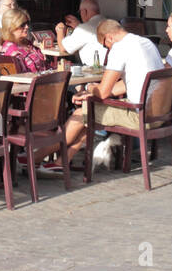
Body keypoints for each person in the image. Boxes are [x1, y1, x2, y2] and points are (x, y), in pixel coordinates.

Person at [62, 19, 165, 164]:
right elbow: (131, 82)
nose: (108, 50)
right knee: (90, 113)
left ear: (109, 37)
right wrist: (96, 93)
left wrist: (89, 87)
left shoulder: (120, 48)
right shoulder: (147, 43)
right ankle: (60, 162)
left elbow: (103, 93)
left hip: (140, 116)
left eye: (106, 45)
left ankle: (48, 153)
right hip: (160, 114)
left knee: (81, 113)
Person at [55, 0, 107, 67]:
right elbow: (90, 33)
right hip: (113, 70)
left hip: (95, 72)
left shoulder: (84, 29)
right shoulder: (110, 22)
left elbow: (63, 48)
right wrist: (79, 26)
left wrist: (60, 29)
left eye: (80, 12)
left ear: (84, 11)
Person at [0, 7, 48, 77]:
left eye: (27, 23)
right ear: (11, 27)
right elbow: (20, 77)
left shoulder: (26, 42)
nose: (27, 27)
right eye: (22, 25)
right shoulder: (11, 49)